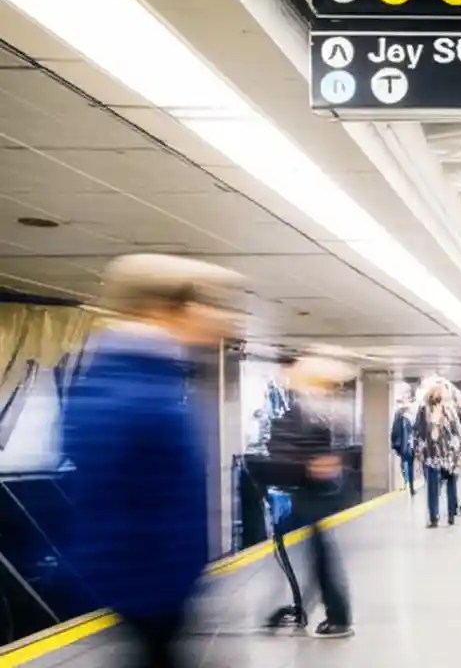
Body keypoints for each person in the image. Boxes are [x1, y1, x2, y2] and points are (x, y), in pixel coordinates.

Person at [60, 254, 244, 668]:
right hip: (150, 585)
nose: (219, 315)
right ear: (167, 309)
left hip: (153, 584)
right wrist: (170, 584)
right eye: (208, 303)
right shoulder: (139, 391)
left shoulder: (134, 376)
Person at [264, 355, 357, 639]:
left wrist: (309, 463)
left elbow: (316, 452)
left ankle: (337, 617)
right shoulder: (320, 409)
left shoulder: (315, 410)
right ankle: (324, 611)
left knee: (320, 554)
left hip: (313, 494)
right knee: (318, 553)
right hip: (315, 493)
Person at [417, 384, 461, 528]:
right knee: (447, 485)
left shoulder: (426, 412)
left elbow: (419, 434)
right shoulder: (446, 412)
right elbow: (457, 433)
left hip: (436, 456)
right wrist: (459, 454)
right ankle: (447, 515)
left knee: (434, 488)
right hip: (444, 455)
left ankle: (436, 517)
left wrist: (419, 453)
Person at [391, 397, 417, 495]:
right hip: (410, 445)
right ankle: (411, 486)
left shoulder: (398, 416)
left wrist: (393, 443)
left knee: (403, 463)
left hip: (402, 445)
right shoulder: (411, 416)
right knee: (410, 465)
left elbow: (394, 432)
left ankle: (406, 483)